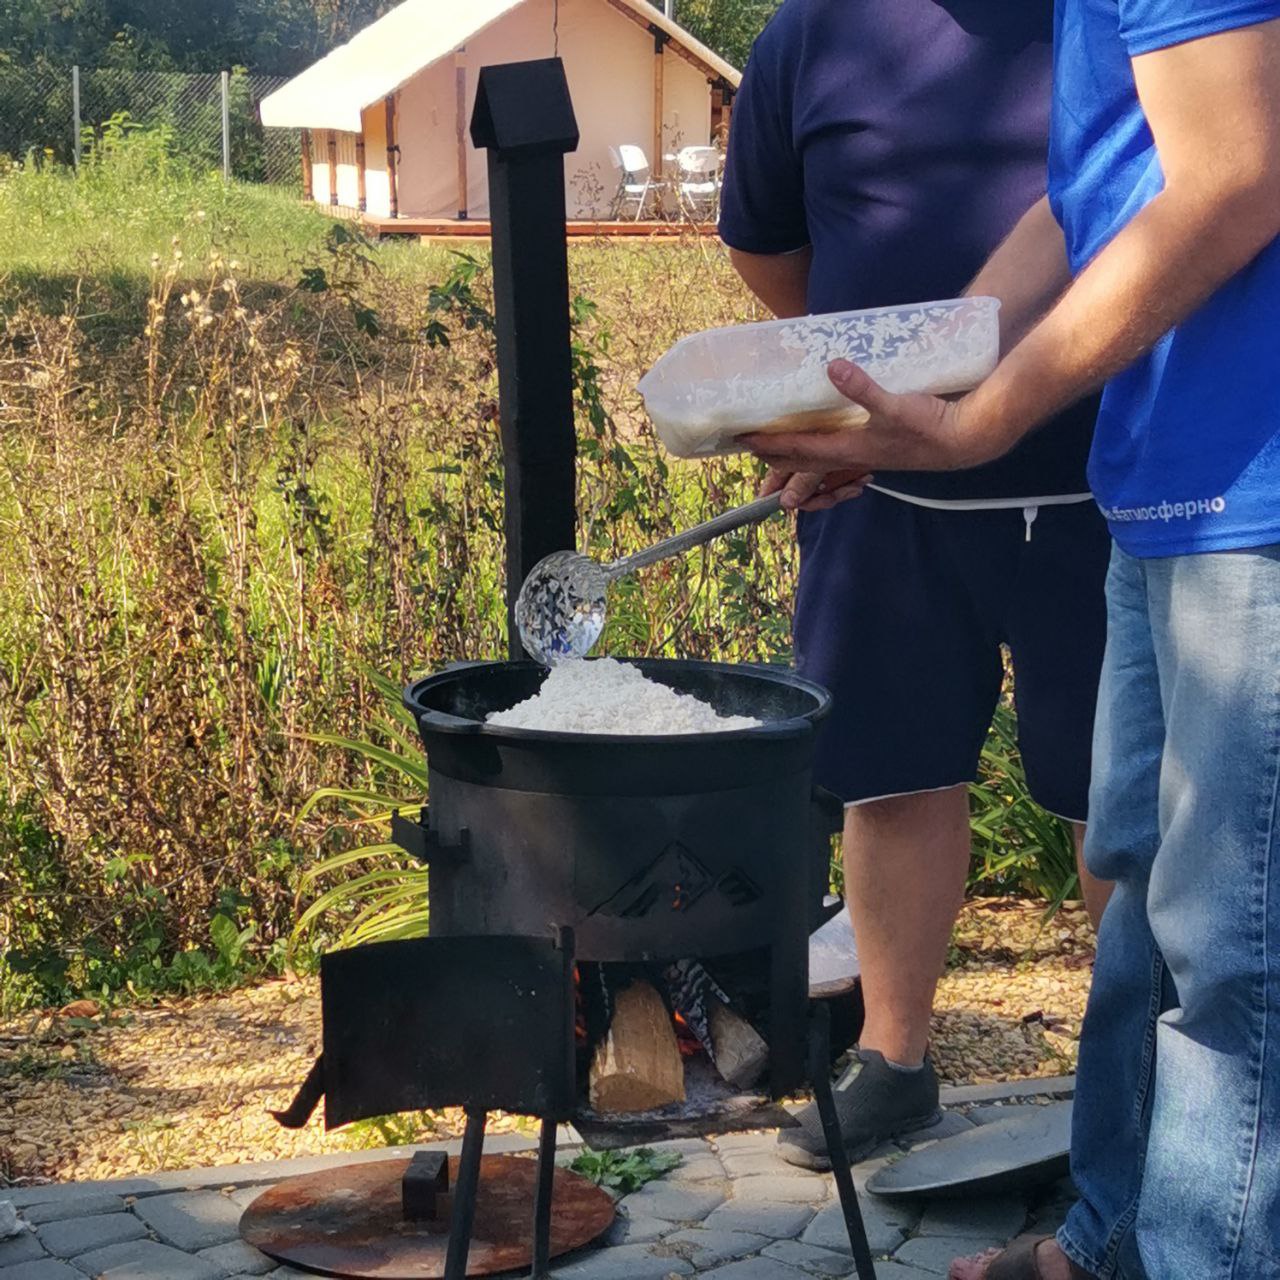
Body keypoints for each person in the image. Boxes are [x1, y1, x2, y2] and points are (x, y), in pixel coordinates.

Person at [743, 3, 1280, 1276]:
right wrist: (905, 405)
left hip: (1249, 488)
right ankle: (1111, 1240)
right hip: (1163, 483)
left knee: (1231, 946)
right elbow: (1082, 195)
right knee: (1144, 916)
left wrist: (984, 424)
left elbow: (1236, 175)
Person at [717, 0, 1112, 1172]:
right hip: (880, 493)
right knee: (887, 774)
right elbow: (765, 247)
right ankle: (891, 1059)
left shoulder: (1110, 18)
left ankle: (1129, 1061)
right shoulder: (809, 35)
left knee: (1112, 796)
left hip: (1098, 490)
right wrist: (885, 392)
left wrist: (984, 391)